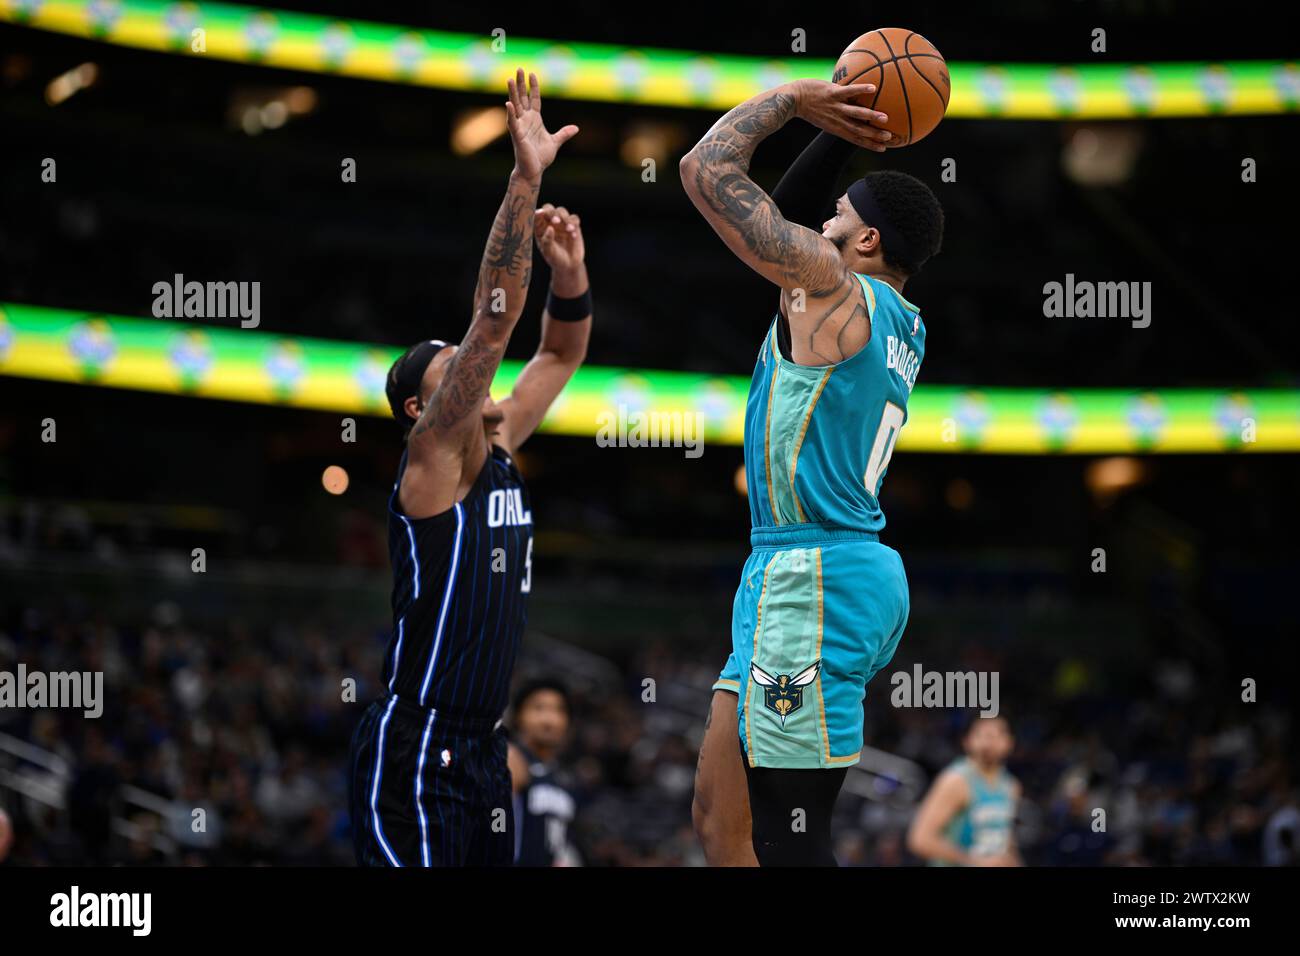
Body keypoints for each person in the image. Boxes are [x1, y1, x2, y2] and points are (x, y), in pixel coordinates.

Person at [681, 77, 943, 866]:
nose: (818, 223)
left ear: (863, 245)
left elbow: (705, 170)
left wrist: (797, 100)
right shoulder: (891, 316)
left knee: (788, 833)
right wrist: (842, 129)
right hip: (808, 565)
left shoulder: (831, 291)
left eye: (838, 219)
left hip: (814, 571)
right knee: (718, 817)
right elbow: (793, 210)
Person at [348, 70, 593, 867]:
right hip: (416, 746)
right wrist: (524, 180)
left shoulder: (501, 444)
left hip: (486, 752)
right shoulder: (436, 461)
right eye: (450, 371)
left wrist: (571, 276)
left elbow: (558, 353)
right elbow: (495, 320)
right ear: (423, 410)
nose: (474, 373)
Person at [907, 716, 1022, 866]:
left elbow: (1004, 837)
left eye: (995, 736)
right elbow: (920, 839)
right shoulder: (956, 780)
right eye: (982, 735)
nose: (988, 743)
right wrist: (971, 861)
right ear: (967, 741)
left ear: (1009, 743)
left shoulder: (1011, 786)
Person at [507, 679, 579, 866]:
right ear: (518, 716)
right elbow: (494, 826)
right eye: (538, 708)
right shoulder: (513, 758)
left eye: (559, 710)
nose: (550, 720)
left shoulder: (565, 776)